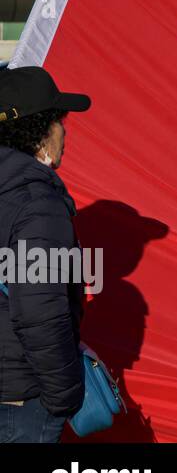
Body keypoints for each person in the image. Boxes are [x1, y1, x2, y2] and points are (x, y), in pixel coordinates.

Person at [0, 66, 92, 442]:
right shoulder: (37, 202)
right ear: (38, 132)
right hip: (20, 402)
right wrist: (64, 398)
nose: (64, 131)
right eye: (57, 121)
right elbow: (40, 310)